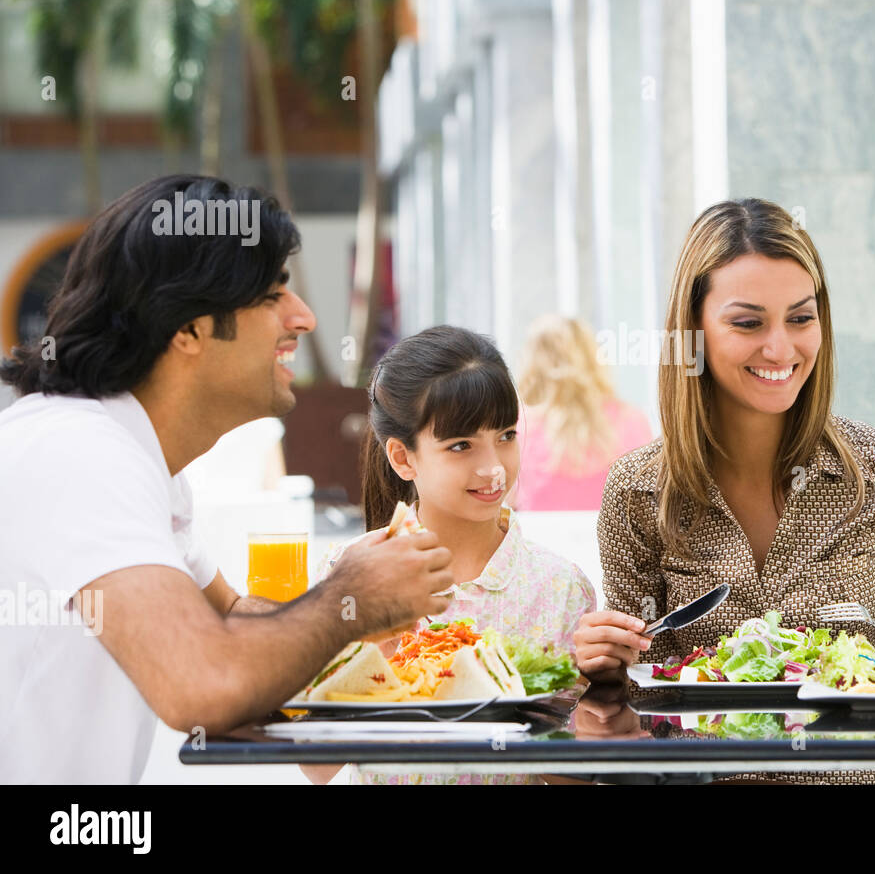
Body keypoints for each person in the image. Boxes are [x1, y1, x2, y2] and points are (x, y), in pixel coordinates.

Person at [0, 175, 454, 784]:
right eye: (271, 295)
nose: (305, 317)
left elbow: (232, 620)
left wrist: (367, 623)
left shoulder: (133, 457)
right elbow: (201, 682)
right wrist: (353, 599)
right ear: (187, 327)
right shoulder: (78, 452)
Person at [572, 198, 875, 785]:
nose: (780, 349)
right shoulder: (638, 490)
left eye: (801, 318)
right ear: (693, 331)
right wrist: (601, 664)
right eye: (748, 323)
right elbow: (633, 696)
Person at [301, 325, 596, 785]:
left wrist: (604, 696)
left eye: (506, 435)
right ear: (403, 458)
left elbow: (567, 777)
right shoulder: (349, 573)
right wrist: (370, 653)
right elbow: (316, 765)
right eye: (461, 445)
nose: (493, 467)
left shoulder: (560, 588)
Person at [513, 314, 652, 510]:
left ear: (531, 362)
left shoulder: (516, 427)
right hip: (611, 540)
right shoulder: (631, 420)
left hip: (536, 538)